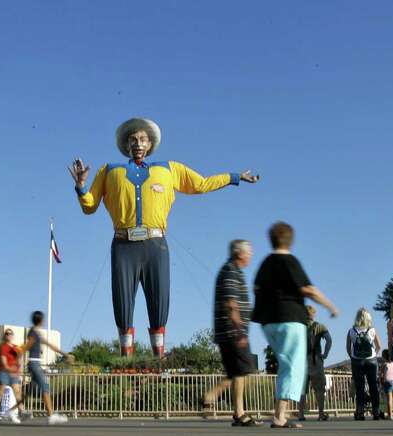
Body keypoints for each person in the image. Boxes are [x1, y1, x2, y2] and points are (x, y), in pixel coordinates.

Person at [69, 117, 259, 357]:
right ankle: (126, 359)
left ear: (149, 144)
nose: (138, 143)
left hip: (155, 244)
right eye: (133, 140)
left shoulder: (168, 169)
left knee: (159, 299)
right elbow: (89, 206)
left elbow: (201, 184)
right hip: (123, 245)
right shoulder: (109, 171)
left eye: (142, 139)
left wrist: (234, 177)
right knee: (122, 300)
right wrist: (81, 187)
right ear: (126, 145)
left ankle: (158, 357)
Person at [251, 222, 338, 429]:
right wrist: (330, 306)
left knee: (285, 365)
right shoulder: (289, 261)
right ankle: (279, 416)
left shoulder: (265, 263)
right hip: (290, 319)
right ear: (290, 240)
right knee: (294, 367)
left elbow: (256, 288)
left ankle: (281, 412)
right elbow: (309, 290)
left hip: (268, 323)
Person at [202, 239, 258, 426]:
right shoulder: (231, 271)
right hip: (232, 332)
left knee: (236, 372)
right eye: (249, 252)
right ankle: (224, 403)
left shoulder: (231, 270)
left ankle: (235, 411)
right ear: (240, 253)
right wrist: (240, 330)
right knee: (242, 370)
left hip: (228, 331)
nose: (251, 255)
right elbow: (231, 302)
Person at [14, 311, 73, 425]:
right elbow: (26, 346)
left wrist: (65, 354)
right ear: (41, 320)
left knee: (30, 391)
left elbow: (51, 345)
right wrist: (17, 359)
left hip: (35, 364)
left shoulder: (37, 333)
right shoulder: (33, 333)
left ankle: (13, 411)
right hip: (34, 364)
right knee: (45, 387)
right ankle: (51, 416)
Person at [347, 308, 383, 420]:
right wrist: (374, 355)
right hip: (371, 360)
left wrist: (353, 357)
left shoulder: (351, 330)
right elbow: (379, 346)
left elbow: (348, 347)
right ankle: (376, 411)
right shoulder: (372, 330)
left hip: (357, 361)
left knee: (360, 387)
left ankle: (360, 412)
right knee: (373, 386)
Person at [299, 305, 332, 422]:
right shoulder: (320, 326)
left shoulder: (299, 327)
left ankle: (301, 414)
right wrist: (325, 354)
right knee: (319, 389)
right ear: (313, 314)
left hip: (301, 361)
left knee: (302, 389)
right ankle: (321, 414)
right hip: (316, 360)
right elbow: (329, 340)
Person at [0, 329, 24, 423]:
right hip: (4, 372)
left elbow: (20, 359)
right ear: (5, 336)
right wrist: (11, 369)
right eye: (7, 334)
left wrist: (19, 369)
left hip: (14, 374)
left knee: (17, 392)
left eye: (11, 333)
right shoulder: (3, 347)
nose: (9, 335)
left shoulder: (16, 347)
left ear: (13, 335)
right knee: (0, 393)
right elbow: (3, 362)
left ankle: (22, 411)